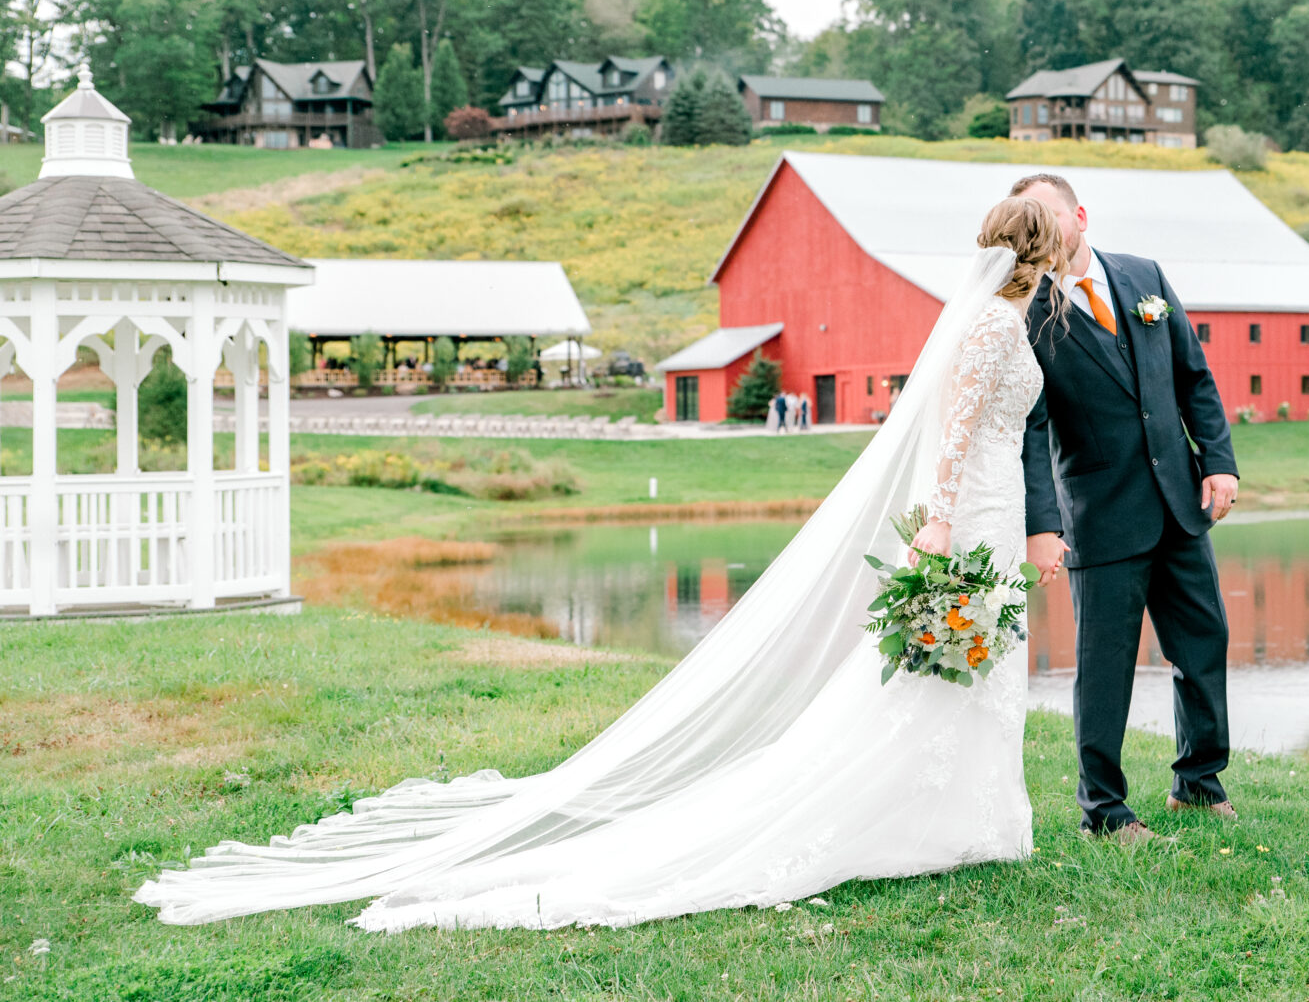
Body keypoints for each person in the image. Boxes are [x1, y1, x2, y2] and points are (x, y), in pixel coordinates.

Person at [136, 196, 1064, 931]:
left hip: (996, 508)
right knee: (939, 665)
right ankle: (923, 816)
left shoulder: (1003, 319)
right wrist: (939, 522)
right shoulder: (990, 326)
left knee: (971, 661)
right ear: (1038, 250)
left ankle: (972, 815)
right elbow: (952, 431)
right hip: (970, 512)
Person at [1012, 172, 1240, 844]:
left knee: (1205, 641)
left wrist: (1219, 461)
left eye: (1049, 216)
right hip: (1100, 514)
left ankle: (1199, 783)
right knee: (1104, 668)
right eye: (1028, 221)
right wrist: (1041, 525)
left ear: (1080, 215)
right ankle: (1104, 811)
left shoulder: (1144, 275)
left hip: (1180, 501)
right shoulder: (1025, 312)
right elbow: (1029, 431)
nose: (1042, 231)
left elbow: (1193, 376)